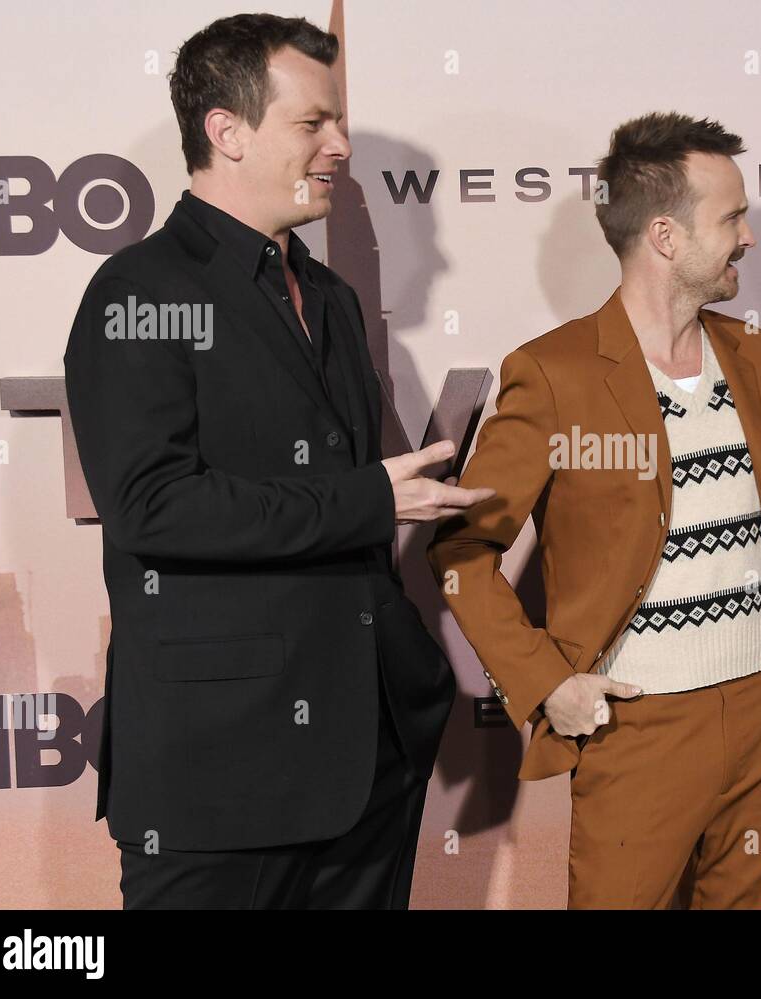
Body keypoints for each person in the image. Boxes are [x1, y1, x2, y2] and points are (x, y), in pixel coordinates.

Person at [63, 13, 492, 909]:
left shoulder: (330, 297)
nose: (340, 146)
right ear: (227, 130)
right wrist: (369, 499)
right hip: (221, 779)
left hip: (369, 766)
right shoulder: (139, 290)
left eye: (338, 123)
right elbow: (154, 507)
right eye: (313, 124)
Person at [427, 112, 761, 909]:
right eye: (732, 218)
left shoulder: (758, 357)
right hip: (638, 727)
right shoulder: (552, 374)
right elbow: (461, 553)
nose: (749, 237)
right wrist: (547, 683)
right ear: (665, 236)